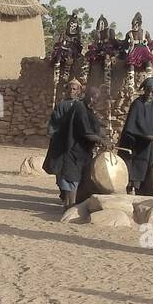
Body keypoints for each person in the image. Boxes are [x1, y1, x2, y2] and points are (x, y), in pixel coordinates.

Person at [43, 77, 102, 207]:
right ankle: (67, 202)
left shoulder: (83, 106)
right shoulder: (66, 106)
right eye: (69, 88)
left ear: (80, 91)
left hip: (76, 145)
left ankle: (70, 202)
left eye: (74, 89)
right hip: (66, 143)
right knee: (65, 174)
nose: (71, 91)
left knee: (72, 175)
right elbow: (57, 123)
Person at [118, 77, 153, 194]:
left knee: (147, 166)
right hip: (134, 142)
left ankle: (142, 190)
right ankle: (130, 189)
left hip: (148, 143)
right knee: (133, 167)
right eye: (148, 90)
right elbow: (134, 127)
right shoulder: (137, 104)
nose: (150, 94)